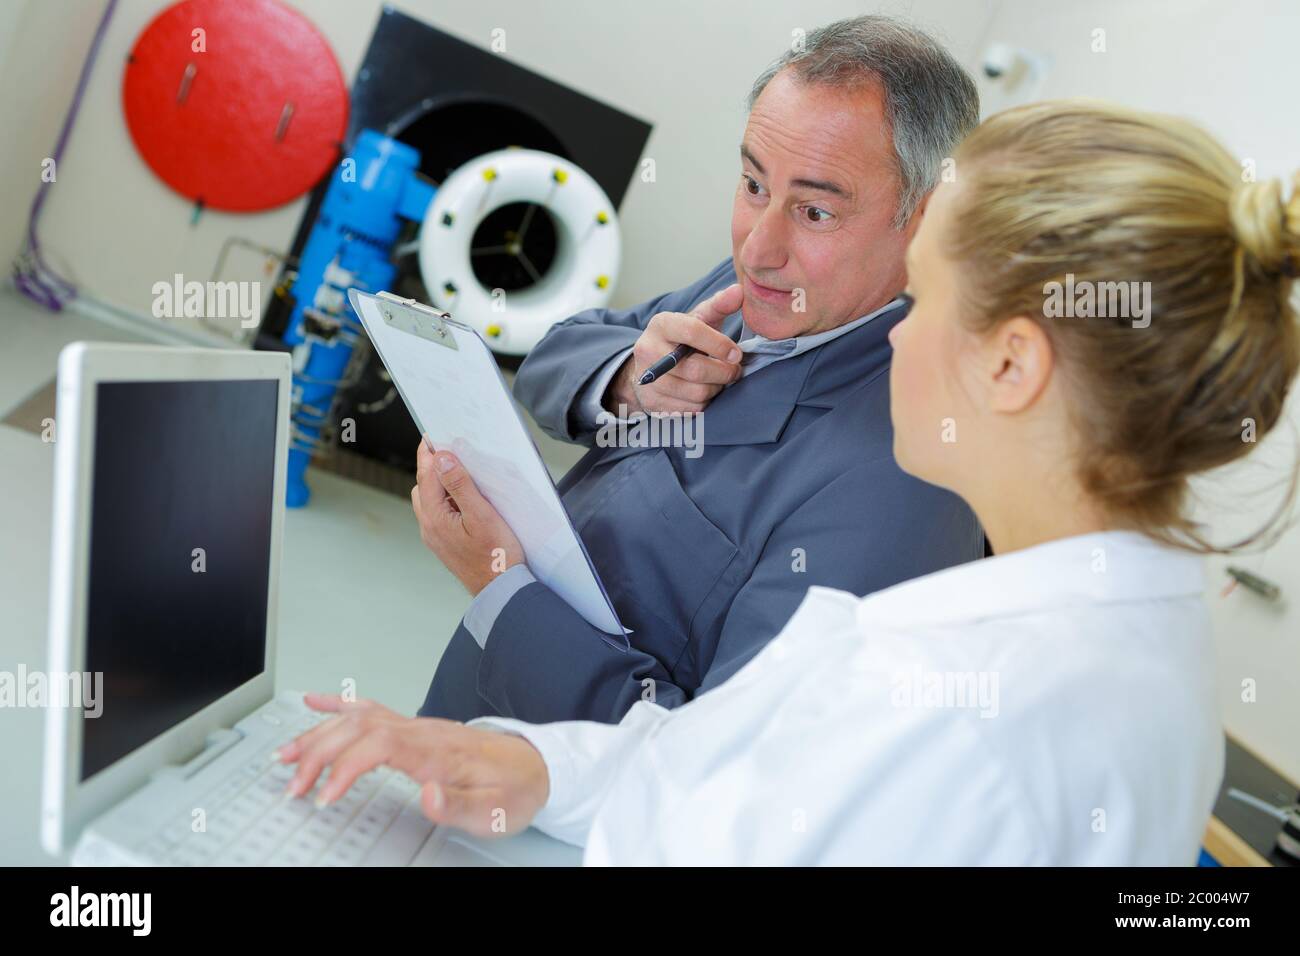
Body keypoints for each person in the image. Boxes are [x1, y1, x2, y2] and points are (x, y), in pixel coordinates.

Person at [279, 105, 1300, 864]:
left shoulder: (964, 713)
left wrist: (505, 585)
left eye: (925, 292)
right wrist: (539, 768)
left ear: (1009, 366)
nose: (893, 332)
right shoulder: (1110, 643)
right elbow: (721, 788)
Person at [412, 15, 985, 724]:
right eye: (752, 183)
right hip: (462, 723)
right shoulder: (759, 290)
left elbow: (710, 771)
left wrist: (501, 583)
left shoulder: (906, 485)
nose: (758, 246)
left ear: (926, 219)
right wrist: (627, 378)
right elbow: (552, 357)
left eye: (814, 211)